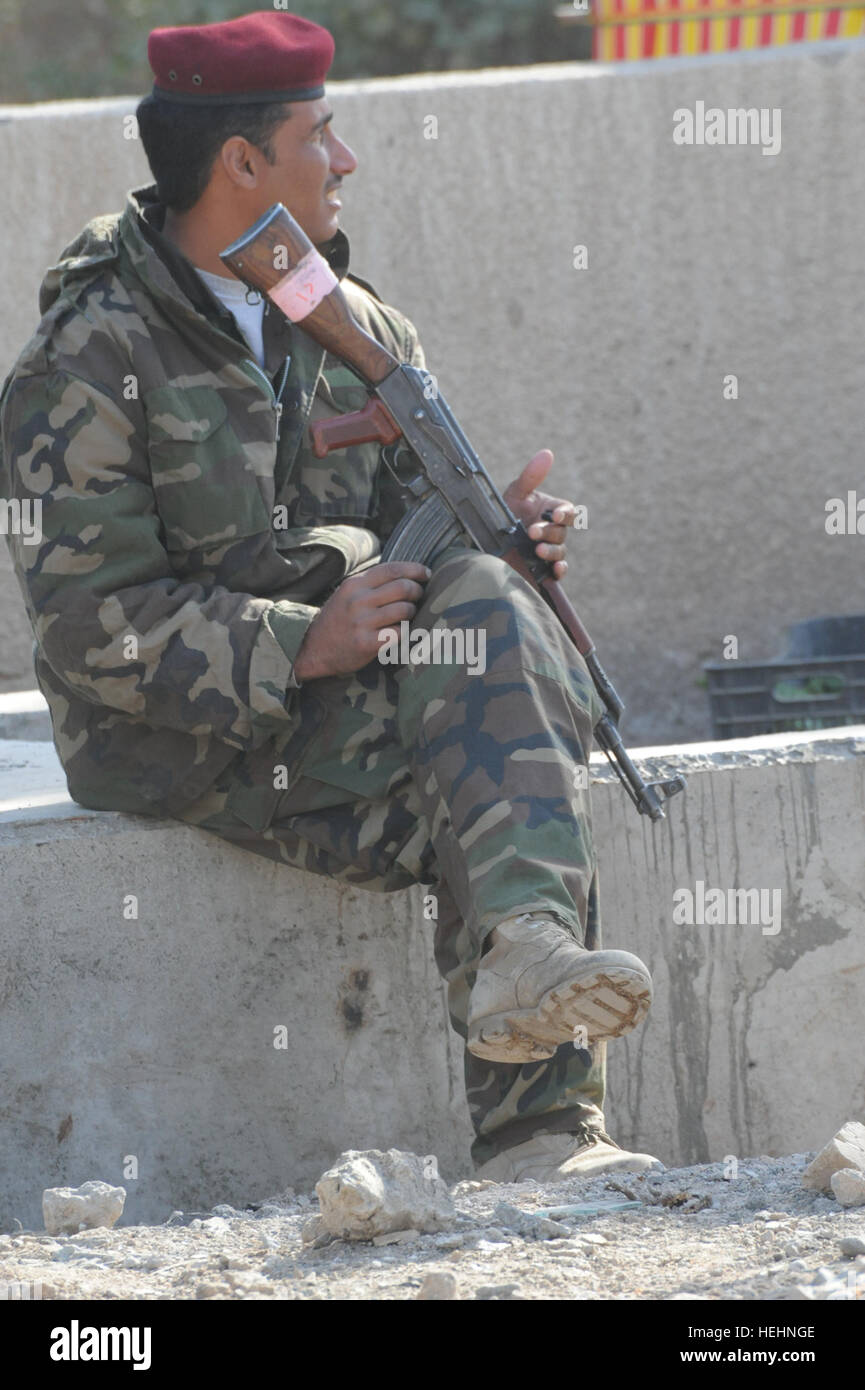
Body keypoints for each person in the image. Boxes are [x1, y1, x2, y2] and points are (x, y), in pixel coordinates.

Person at [0, 9, 662, 1183]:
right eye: (324, 134)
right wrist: (307, 642)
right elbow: (85, 626)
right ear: (241, 163)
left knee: (508, 698)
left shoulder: (350, 328)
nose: (347, 160)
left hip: (342, 696)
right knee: (500, 769)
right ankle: (536, 1117)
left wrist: (507, 554)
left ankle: (542, 1116)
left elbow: (434, 551)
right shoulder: (88, 360)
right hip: (179, 738)